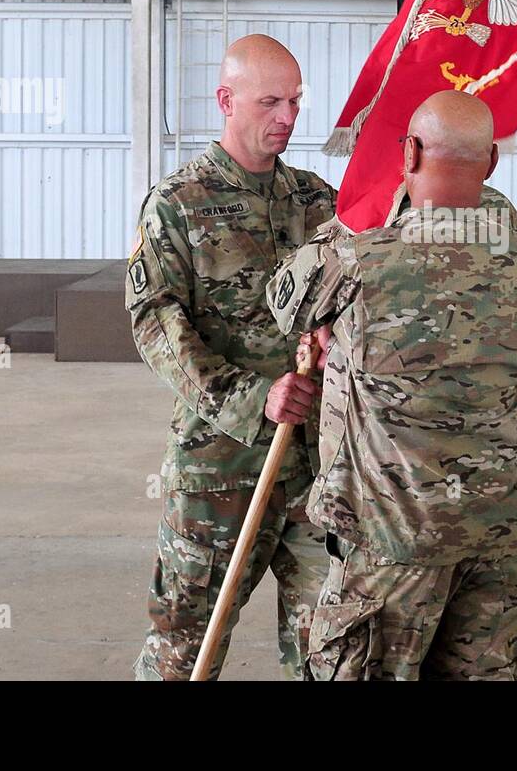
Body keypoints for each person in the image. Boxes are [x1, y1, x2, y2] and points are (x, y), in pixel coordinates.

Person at [267, 90, 517, 680]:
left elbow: (284, 298)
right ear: (492, 162)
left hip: (392, 546)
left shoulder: (359, 262)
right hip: (497, 539)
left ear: (410, 152)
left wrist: (359, 211)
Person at [126, 34, 336, 680]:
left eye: (295, 101)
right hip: (220, 468)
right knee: (185, 647)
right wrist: (254, 397)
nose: (287, 116)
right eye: (270, 102)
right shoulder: (178, 204)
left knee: (331, 647)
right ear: (226, 100)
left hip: (317, 469)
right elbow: (157, 324)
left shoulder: (319, 202)